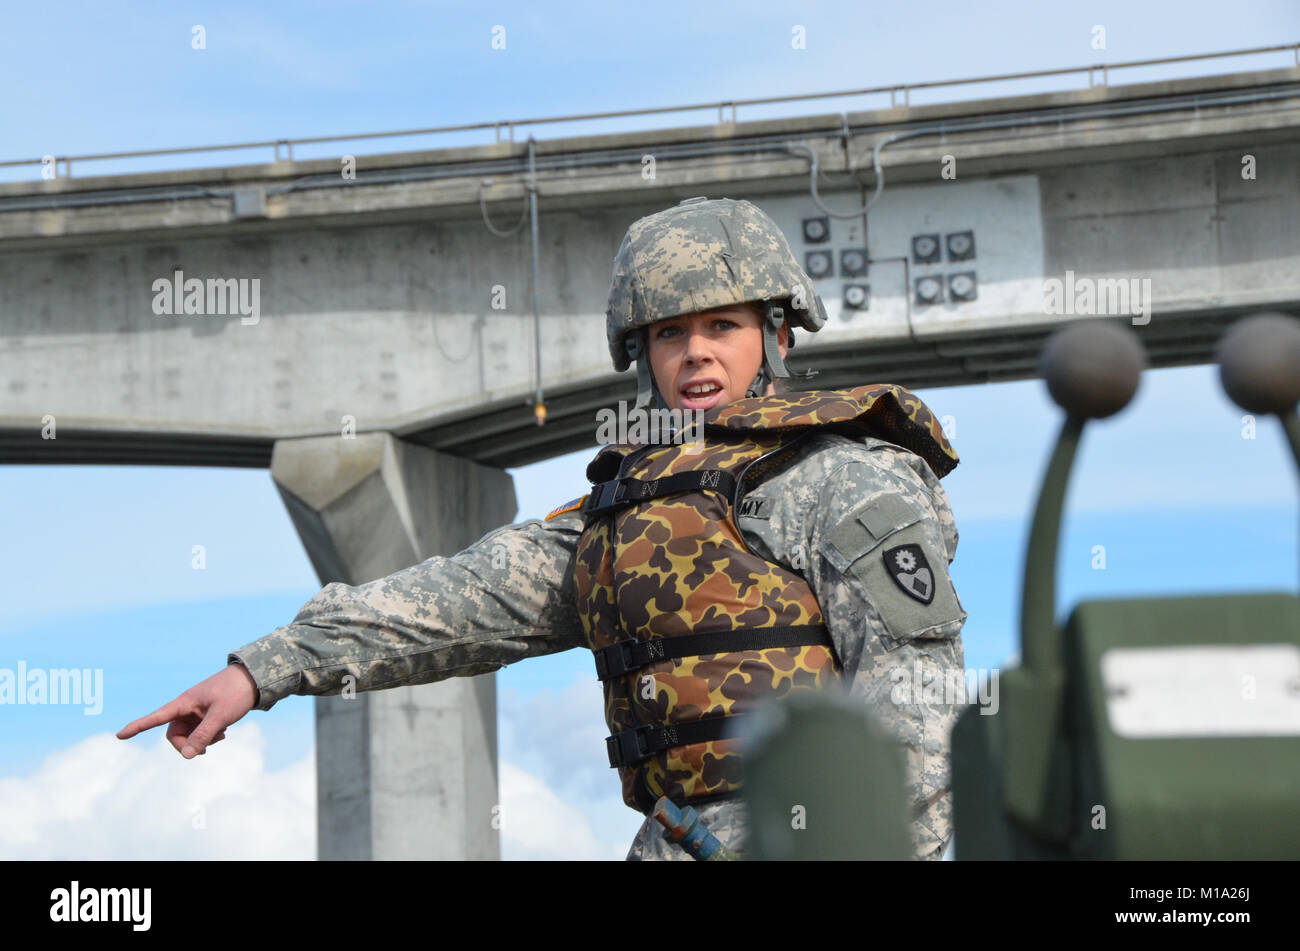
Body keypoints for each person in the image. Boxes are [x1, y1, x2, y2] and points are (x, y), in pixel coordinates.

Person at [118, 197, 968, 861]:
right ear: (643, 358)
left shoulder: (842, 477)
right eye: (670, 332)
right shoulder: (623, 516)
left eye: (723, 326)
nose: (696, 354)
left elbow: (916, 711)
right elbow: (453, 602)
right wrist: (263, 669)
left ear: (776, 335)